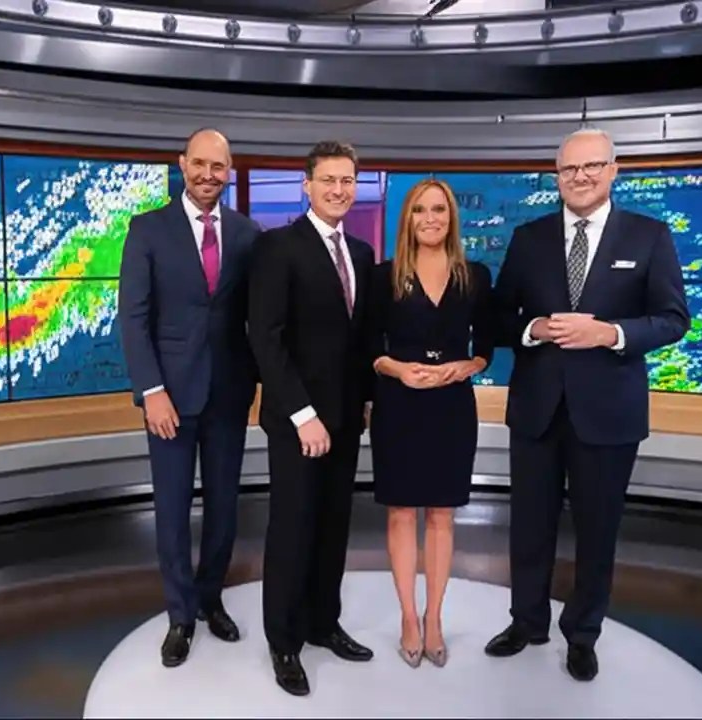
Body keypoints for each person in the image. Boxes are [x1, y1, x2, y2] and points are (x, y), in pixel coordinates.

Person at [485, 127, 689, 681]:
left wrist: (611, 334)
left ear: (613, 170)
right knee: (529, 524)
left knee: (598, 530)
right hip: (537, 409)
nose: (580, 177)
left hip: (609, 412)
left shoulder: (649, 236)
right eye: (569, 170)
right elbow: (500, 317)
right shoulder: (529, 238)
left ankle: (583, 633)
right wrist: (534, 329)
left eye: (591, 167)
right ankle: (527, 620)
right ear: (557, 176)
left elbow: (674, 320)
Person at [118, 128, 260, 668]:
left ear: (229, 170)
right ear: (182, 165)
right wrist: (150, 391)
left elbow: (258, 316)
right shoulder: (147, 230)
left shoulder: (248, 235)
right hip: (169, 399)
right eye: (198, 164)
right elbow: (133, 318)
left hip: (228, 394)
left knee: (225, 509)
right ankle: (180, 614)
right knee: (173, 510)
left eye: (218, 167)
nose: (207, 175)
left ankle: (210, 598)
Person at [248, 140, 377, 697]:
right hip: (299, 420)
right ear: (307, 184)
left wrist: (365, 402)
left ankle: (324, 623)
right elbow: (265, 338)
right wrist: (304, 415)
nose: (339, 189)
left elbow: (362, 339)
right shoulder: (279, 248)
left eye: (348, 180)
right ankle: (284, 641)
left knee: (333, 527)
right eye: (328, 180)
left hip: (347, 419)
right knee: (293, 528)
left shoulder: (364, 254)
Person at [367, 178, 496, 669]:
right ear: (408, 218)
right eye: (420, 210)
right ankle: (407, 617)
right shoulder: (384, 276)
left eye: (439, 210)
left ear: (451, 217)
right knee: (401, 511)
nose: (430, 218)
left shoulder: (474, 275)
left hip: (450, 407)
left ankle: (435, 617)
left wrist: (466, 367)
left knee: (442, 513)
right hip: (399, 404)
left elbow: (487, 343)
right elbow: (367, 348)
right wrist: (398, 369)